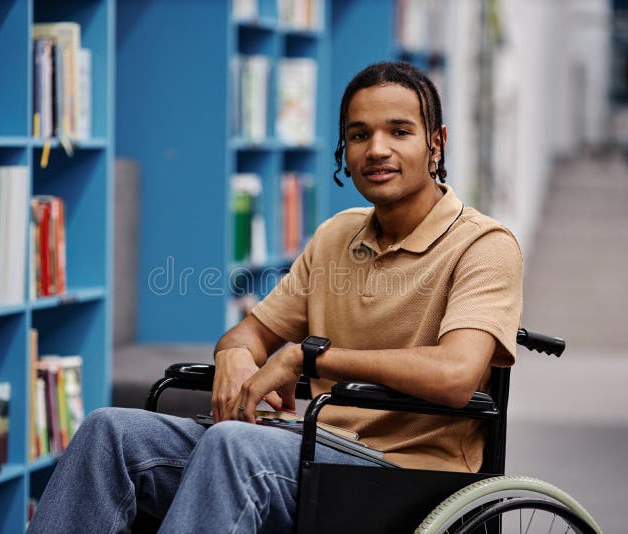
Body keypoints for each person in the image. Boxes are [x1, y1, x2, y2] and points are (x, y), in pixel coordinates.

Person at [27, 61, 522, 533]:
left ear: (436, 144)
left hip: (404, 472)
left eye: (399, 131)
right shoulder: (336, 236)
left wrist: (309, 357)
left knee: (235, 445)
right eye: (358, 135)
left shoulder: (484, 245)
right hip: (311, 446)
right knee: (110, 433)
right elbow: (251, 333)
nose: (376, 149)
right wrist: (235, 353)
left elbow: (457, 375)